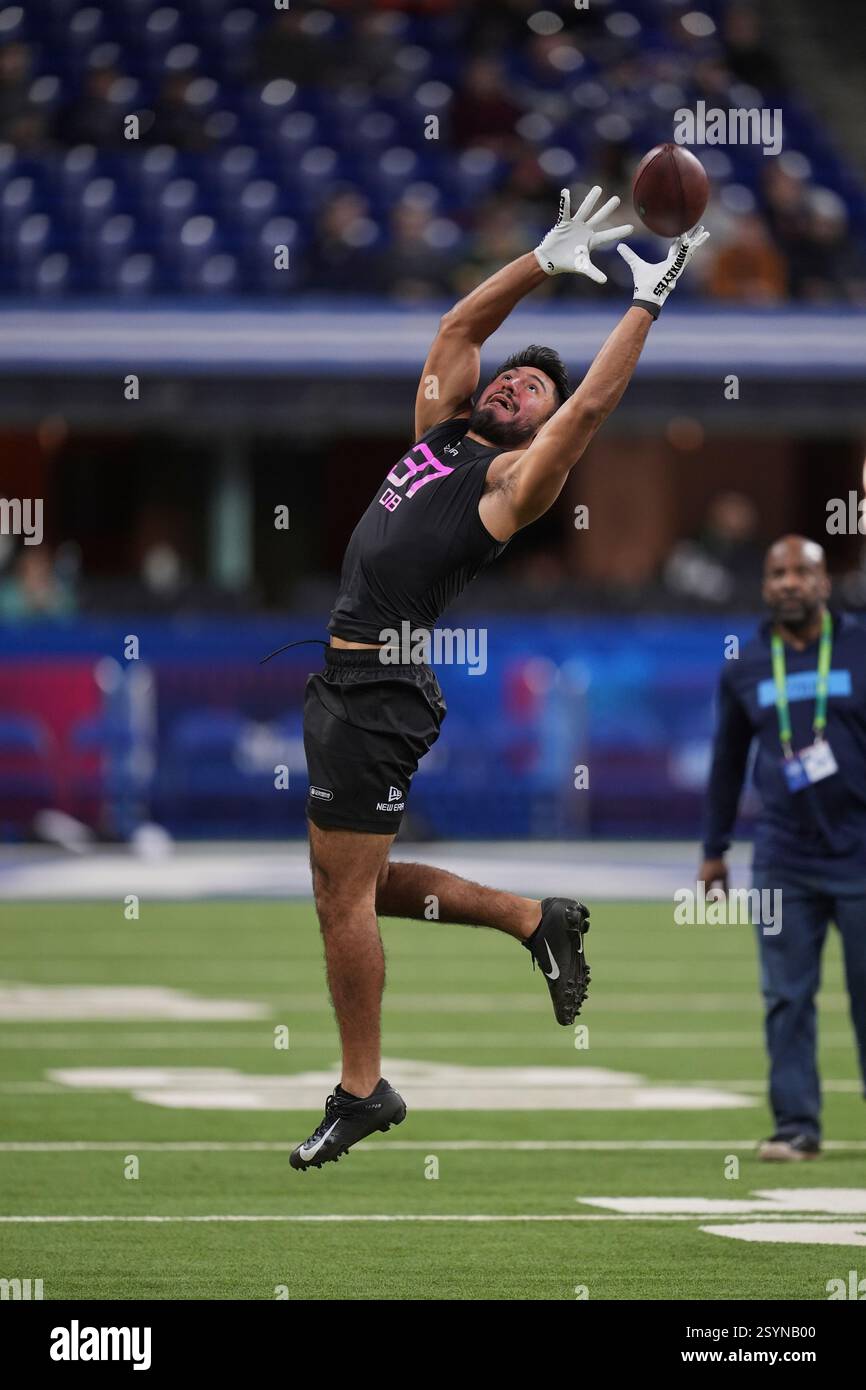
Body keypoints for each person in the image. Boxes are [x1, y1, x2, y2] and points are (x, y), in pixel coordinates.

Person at [292, 185, 709, 1170]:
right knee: (354, 887)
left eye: (533, 393)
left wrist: (640, 305)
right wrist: (539, 259)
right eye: (516, 378)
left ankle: (362, 1088)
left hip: (379, 692)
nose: (518, 385)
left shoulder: (509, 484)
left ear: (535, 432)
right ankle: (535, 919)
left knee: (340, 899)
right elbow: (454, 325)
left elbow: (593, 406)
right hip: (345, 685)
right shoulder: (438, 432)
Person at [699, 536, 866, 1161]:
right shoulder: (745, 664)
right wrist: (713, 850)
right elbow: (726, 762)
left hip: (861, 853)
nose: (789, 583)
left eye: (802, 572)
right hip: (783, 858)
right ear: (765, 585)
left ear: (826, 583)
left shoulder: (859, 646)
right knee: (786, 996)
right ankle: (797, 1126)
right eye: (777, 573)